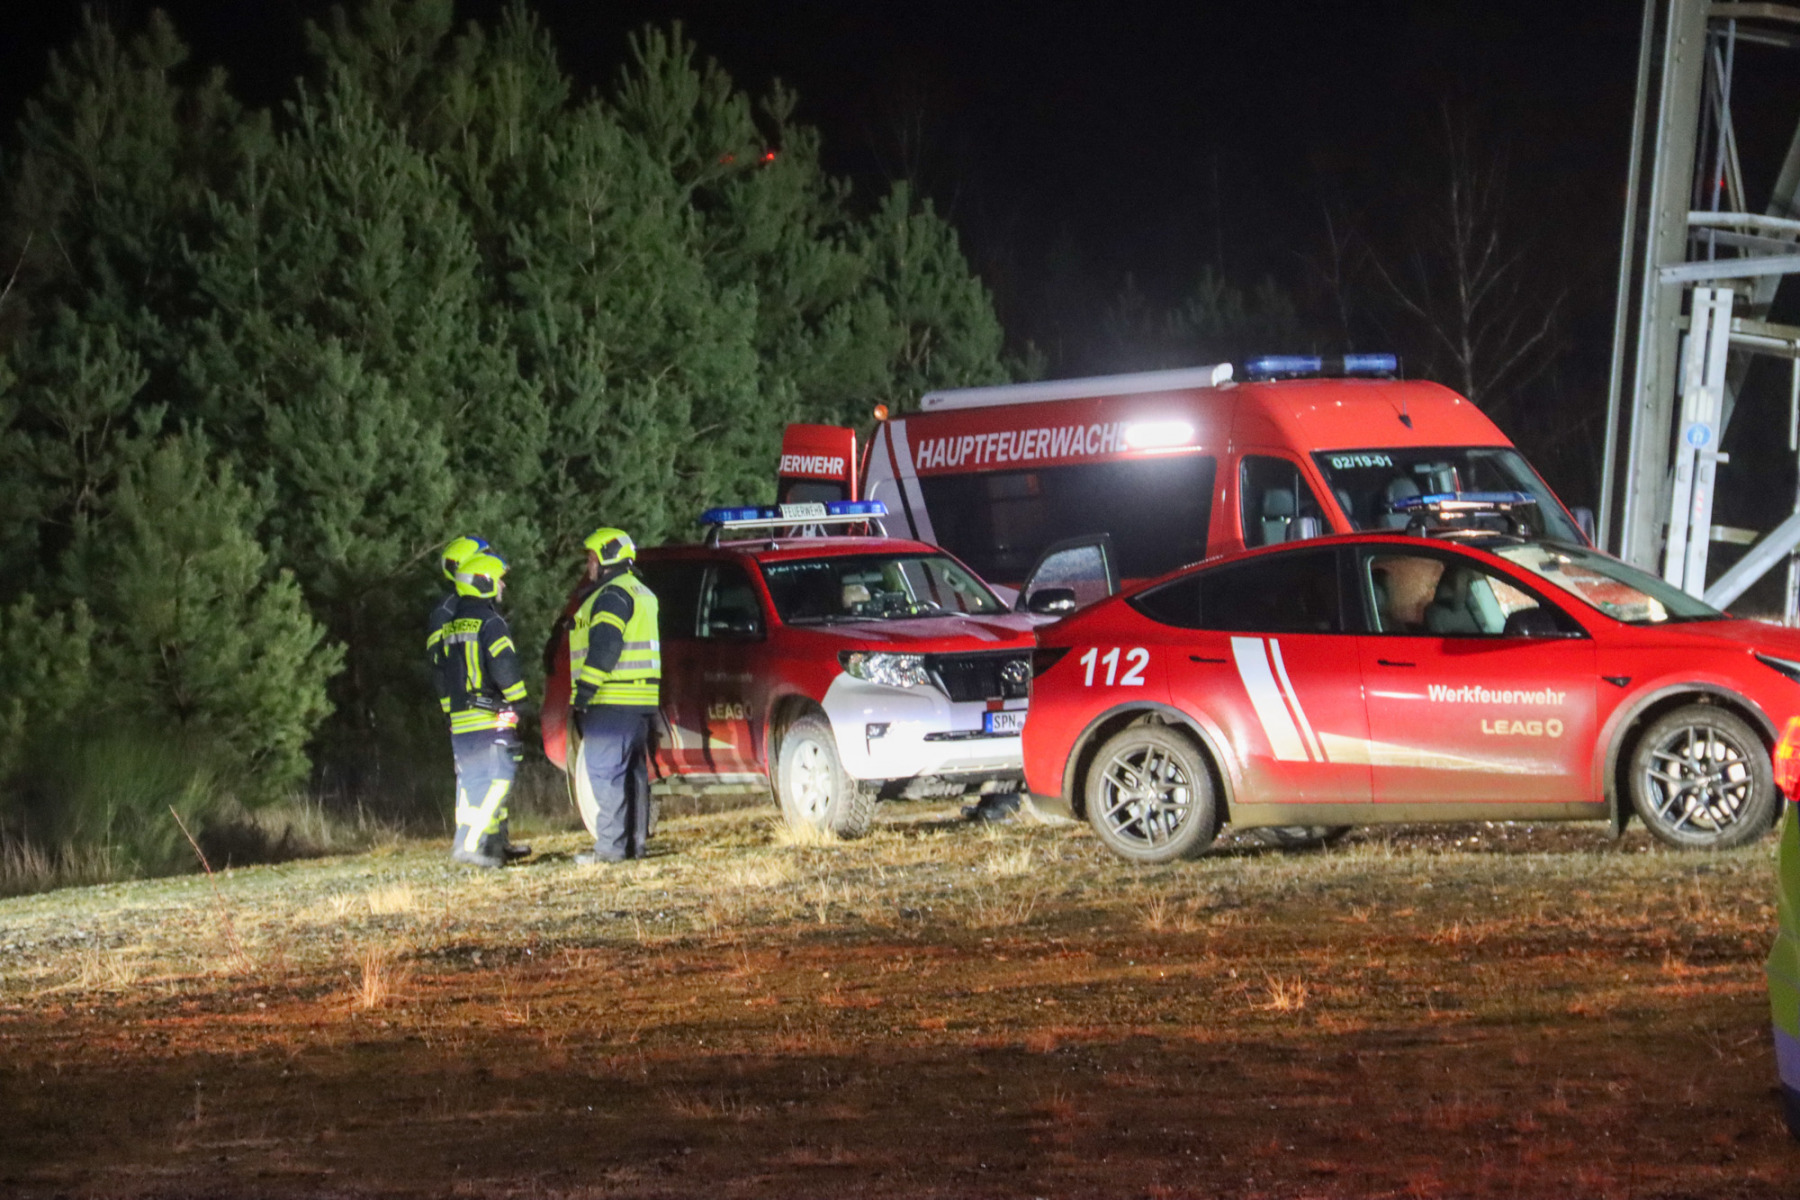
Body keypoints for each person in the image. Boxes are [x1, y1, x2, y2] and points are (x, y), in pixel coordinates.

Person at [428, 549, 530, 867]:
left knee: (471, 782)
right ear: (484, 582)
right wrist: (519, 702)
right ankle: (471, 846)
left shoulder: (450, 625)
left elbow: (442, 673)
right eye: (499, 581)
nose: (503, 587)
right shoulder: (490, 622)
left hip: (462, 717)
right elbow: (504, 666)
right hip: (488, 712)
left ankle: (481, 845)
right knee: (498, 776)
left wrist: (452, 711)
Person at [567, 527, 661, 864]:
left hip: (611, 700)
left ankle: (609, 851)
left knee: (606, 775)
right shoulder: (640, 592)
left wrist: (584, 692)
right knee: (634, 775)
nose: (589, 566)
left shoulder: (610, 595)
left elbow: (606, 646)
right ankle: (633, 846)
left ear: (606, 558)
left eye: (592, 558)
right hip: (641, 702)